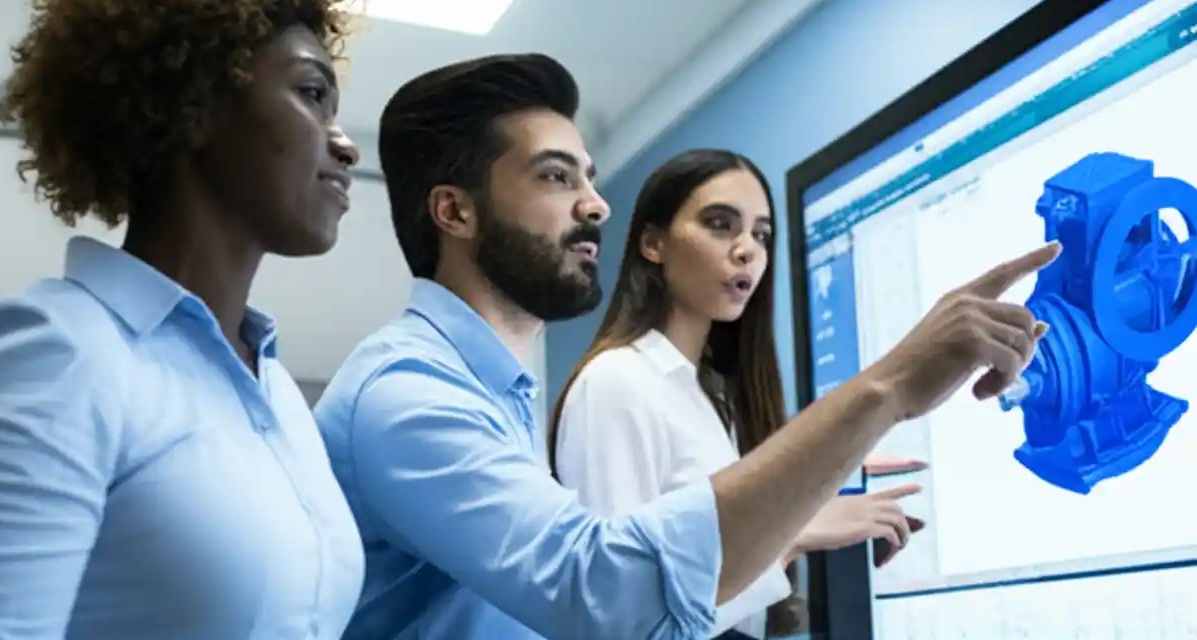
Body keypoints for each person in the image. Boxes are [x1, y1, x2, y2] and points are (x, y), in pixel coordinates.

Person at [314, 52, 1057, 640]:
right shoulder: (408, 393)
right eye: (553, 176)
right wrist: (884, 390)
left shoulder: (493, 397)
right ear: (454, 211)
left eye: (590, 179)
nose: (595, 203)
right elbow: (602, 597)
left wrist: (799, 495)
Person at [0, 0, 365, 638]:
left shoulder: (275, 391)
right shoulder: (51, 357)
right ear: (194, 104)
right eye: (312, 94)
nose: (344, 144)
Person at [549, 149, 921, 639]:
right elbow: (616, 619)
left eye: (761, 235)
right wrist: (790, 533)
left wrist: (810, 480)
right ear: (653, 243)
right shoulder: (616, 383)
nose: (747, 249)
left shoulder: (714, 401)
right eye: (720, 224)